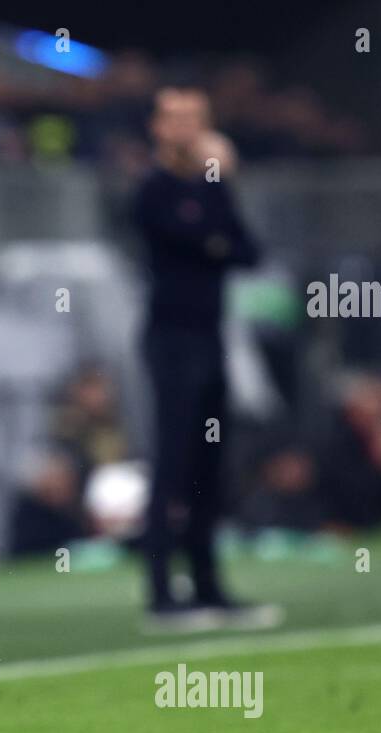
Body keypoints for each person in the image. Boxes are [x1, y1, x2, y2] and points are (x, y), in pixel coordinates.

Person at [130, 88, 279, 633]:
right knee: (170, 464)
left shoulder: (210, 187)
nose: (185, 128)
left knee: (206, 467)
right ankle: (161, 594)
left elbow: (245, 249)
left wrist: (220, 186)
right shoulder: (152, 188)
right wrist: (213, 231)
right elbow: (190, 237)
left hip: (211, 337)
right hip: (171, 340)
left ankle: (209, 586)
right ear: (158, 126)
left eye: (195, 119)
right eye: (175, 119)